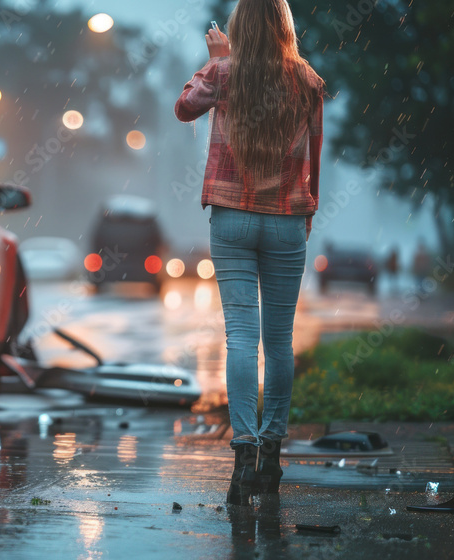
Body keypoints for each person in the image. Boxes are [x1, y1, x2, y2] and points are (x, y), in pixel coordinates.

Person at [175, 0, 325, 506]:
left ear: (240, 27)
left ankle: (243, 452)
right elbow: (315, 157)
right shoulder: (306, 79)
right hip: (287, 218)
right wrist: (308, 212)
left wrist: (219, 61)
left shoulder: (223, 71)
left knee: (240, 334)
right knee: (278, 341)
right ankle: (272, 453)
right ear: (284, 26)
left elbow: (184, 107)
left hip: (232, 216)